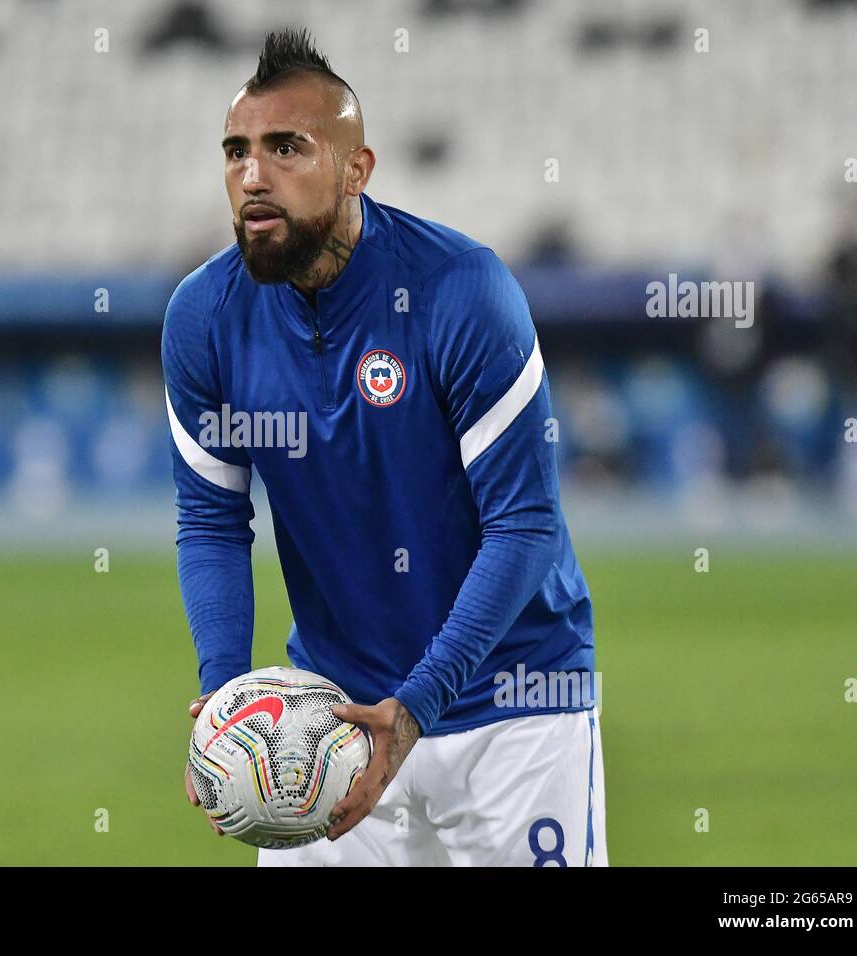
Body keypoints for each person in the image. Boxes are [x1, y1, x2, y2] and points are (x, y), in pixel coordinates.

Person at [165, 28, 605, 866]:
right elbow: (212, 522)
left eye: (286, 148)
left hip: (513, 706)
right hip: (325, 726)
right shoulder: (204, 318)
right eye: (236, 152)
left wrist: (416, 707)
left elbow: (525, 525)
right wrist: (226, 695)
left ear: (356, 169)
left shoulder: (462, 292)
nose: (252, 176)